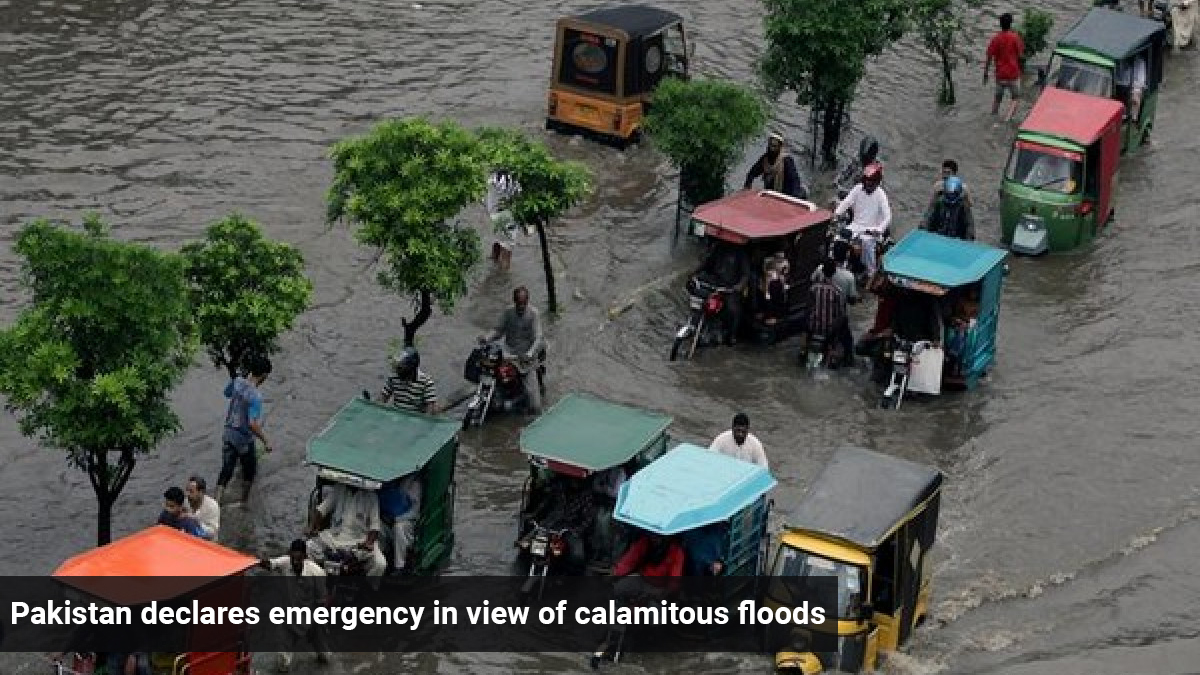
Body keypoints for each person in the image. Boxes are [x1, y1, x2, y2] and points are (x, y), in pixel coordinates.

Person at [259, 539, 332, 672]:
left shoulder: (317, 573)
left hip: (311, 616)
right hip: (289, 616)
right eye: (293, 559)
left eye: (299, 559)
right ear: (290, 555)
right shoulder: (285, 563)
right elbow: (270, 564)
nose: (296, 563)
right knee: (282, 663)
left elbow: (322, 600)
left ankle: (322, 653)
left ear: (305, 557)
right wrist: (257, 560)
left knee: (325, 656)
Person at [216, 355, 273, 505]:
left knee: (226, 470)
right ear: (264, 375)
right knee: (249, 472)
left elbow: (226, 393)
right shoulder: (256, 396)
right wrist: (266, 440)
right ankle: (243, 503)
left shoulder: (237, 382)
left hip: (228, 433)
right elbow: (252, 424)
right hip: (243, 439)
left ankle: (216, 502)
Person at [481, 286, 546, 413]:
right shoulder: (508, 312)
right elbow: (498, 330)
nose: (521, 307)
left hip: (525, 358)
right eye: (518, 303)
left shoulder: (533, 314)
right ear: (514, 301)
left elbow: (538, 337)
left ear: (527, 301)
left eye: (523, 304)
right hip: (509, 353)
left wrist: (530, 353)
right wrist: (486, 337)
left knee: (535, 406)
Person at [306, 483, 387, 579]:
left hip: (358, 541)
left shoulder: (371, 496)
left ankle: (366, 587)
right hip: (334, 537)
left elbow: (375, 527)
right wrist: (313, 527)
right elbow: (322, 509)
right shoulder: (339, 488)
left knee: (380, 564)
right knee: (308, 547)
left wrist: (368, 543)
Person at [833, 162, 891, 278]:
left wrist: (879, 229)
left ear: (877, 183)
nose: (868, 185)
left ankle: (870, 271)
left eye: (871, 182)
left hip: (871, 230)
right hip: (855, 226)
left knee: (867, 244)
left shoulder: (881, 195)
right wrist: (836, 214)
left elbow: (887, 216)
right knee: (838, 239)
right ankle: (838, 264)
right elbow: (846, 202)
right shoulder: (857, 189)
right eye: (867, 181)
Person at [695, 240, 751, 345]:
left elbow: (745, 274)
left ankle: (732, 335)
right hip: (715, 283)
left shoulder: (741, 254)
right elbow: (706, 264)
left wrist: (739, 286)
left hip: (730, 288)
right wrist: (694, 272)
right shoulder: (718, 248)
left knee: (732, 310)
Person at [610, 531, 685, 606]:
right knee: (619, 588)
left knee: (654, 608)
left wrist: (665, 593)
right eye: (653, 535)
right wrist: (616, 572)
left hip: (660, 587)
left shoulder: (676, 552)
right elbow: (628, 561)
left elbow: (674, 578)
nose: (654, 538)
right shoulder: (644, 542)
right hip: (642, 579)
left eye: (658, 536)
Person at [808, 260, 854, 367]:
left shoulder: (813, 288)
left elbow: (808, 308)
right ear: (834, 272)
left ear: (823, 271)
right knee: (847, 338)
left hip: (813, 326)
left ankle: (804, 349)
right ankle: (848, 359)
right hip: (830, 329)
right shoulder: (837, 291)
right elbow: (840, 313)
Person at [984, 13, 1025, 123]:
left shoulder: (996, 39)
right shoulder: (1015, 37)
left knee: (997, 99)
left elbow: (989, 57)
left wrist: (985, 73)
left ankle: (992, 118)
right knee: (1015, 98)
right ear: (1011, 23)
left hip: (1000, 75)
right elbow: (1021, 56)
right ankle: (1007, 119)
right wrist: (1021, 70)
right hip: (1013, 74)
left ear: (1000, 24)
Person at [377, 474, 422, 575]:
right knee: (378, 525)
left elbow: (414, 512)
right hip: (388, 519)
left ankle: (399, 566)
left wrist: (396, 519)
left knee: (399, 527)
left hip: (406, 522)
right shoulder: (388, 479)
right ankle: (381, 558)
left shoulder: (414, 484)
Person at [743, 132, 808, 199]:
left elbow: (794, 180)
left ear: (780, 147)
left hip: (787, 195)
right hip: (770, 194)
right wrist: (747, 187)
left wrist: (794, 197)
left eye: (774, 146)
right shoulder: (765, 160)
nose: (772, 148)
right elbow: (752, 173)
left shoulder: (786, 160)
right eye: (770, 145)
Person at [378, 347, 438, 414]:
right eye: (398, 366)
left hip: (415, 418)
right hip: (396, 416)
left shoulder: (426, 382)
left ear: (412, 368)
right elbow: (382, 399)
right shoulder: (393, 377)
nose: (398, 370)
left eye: (401, 367)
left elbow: (429, 411)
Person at [922, 176, 976, 241]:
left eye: (953, 194)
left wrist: (968, 240)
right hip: (937, 238)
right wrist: (923, 232)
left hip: (956, 240)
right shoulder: (938, 203)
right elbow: (927, 218)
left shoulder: (963, 207)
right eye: (949, 194)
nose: (951, 196)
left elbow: (969, 226)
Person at [183, 476, 220, 541]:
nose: (187, 494)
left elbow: (213, 532)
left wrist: (197, 523)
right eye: (187, 490)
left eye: (191, 491)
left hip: (206, 542)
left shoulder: (212, 506)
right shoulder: (185, 502)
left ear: (201, 492)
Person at [1115, 52, 1148, 122]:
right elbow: (1117, 76)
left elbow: (1140, 81)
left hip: (1135, 86)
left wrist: (1133, 88)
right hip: (1121, 85)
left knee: (1135, 96)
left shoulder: (1140, 62)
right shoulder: (1120, 60)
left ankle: (1133, 118)